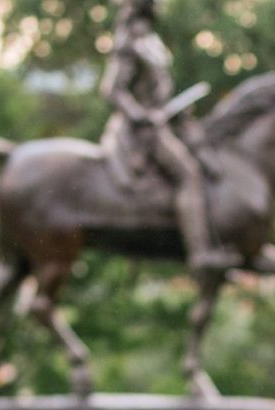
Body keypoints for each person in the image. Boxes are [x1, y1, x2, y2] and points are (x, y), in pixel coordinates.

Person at [99, 0, 240, 273]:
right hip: (142, 131)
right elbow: (112, 89)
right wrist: (141, 115)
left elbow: (154, 90)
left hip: (162, 122)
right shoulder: (130, 40)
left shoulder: (148, 38)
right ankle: (200, 252)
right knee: (188, 173)